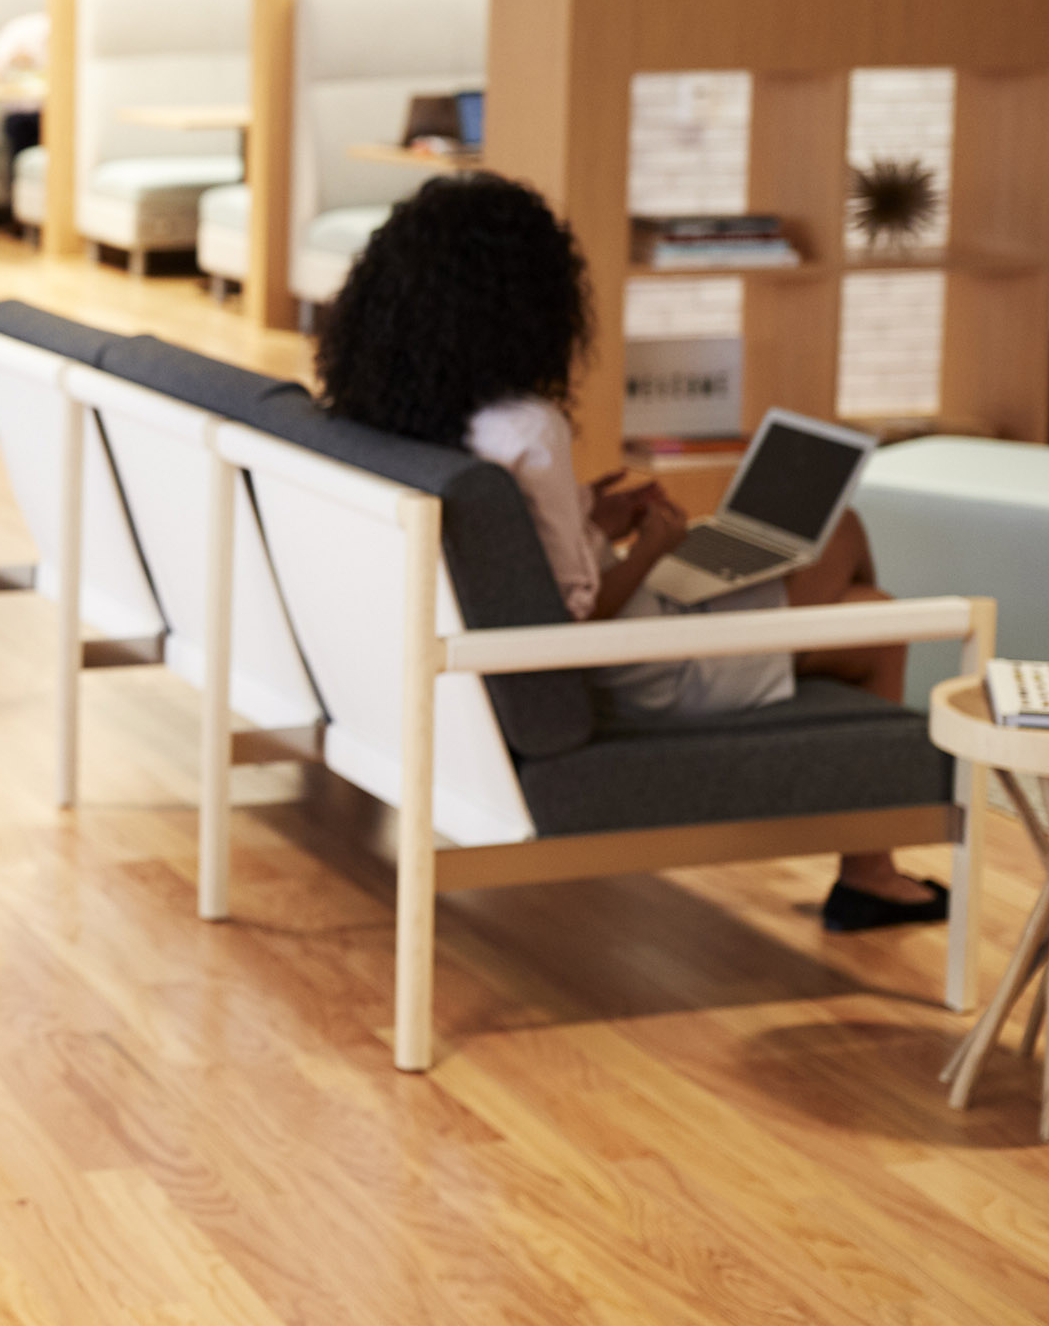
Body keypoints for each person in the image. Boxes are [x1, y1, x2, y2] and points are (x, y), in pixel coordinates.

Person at [314, 172, 949, 933]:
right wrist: (653, 545)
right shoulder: (529, 428)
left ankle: (866, 854)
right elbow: (576, 627)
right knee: (856, 567)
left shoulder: (398, 407)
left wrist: (590, 514)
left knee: (860, 594)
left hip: (514, 658)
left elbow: (513, 555)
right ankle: (869, 869)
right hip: (638, 668)